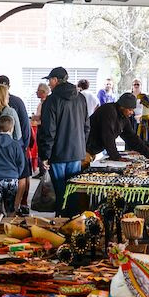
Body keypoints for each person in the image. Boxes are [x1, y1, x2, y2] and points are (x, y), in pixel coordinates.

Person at [36, 67, 89, 209]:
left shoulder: (51, 101)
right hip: (76, 153)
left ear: (55, 80)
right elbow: (86, 127)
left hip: (58, 154)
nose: (49, 84)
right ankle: (74, 224)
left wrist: (44, 155)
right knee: (73, 191)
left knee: (60, 193)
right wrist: (82, 149)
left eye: (49, 81)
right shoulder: (81, 98)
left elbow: (48, 131)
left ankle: (61, 223)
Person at [0, 76, 32, 215]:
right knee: (21, 176)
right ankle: (18, 205)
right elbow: (24, 128)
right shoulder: (15, 104)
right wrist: (24, 145)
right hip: (15, 147)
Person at [86, 91, 149, 161]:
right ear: (122, 106)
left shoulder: (123, 116)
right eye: (130, 109)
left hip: (92, 150)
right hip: (84, 148)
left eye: (132, 110)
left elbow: (131, 137)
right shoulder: (109, 111)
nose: (132, 112)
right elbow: (108, 136)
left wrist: (148, 153)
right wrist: (116, 157)